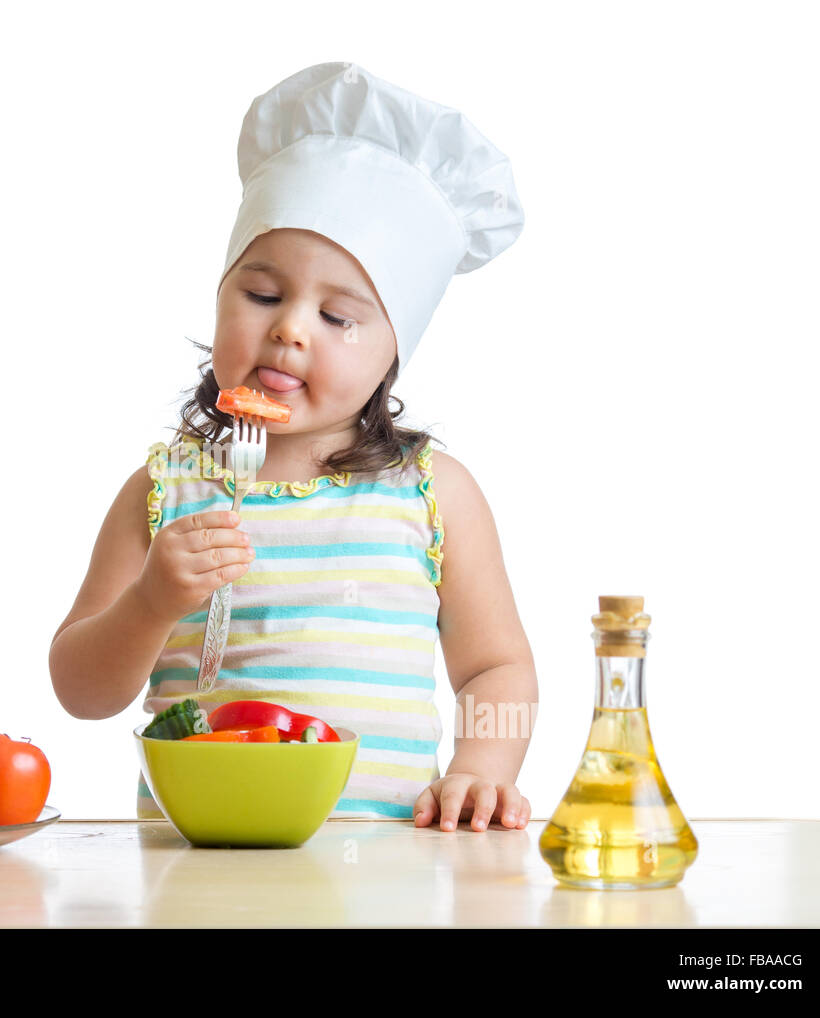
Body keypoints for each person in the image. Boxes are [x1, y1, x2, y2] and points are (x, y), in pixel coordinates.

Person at [50, 62, 537, 832]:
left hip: (387, 868)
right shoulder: (164, 488)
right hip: (192, 869)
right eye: (263, 295)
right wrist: (150, 604)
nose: (290, 328)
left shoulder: (433, 493)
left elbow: (497, 668)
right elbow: (80, 689)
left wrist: (480, 771)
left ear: (393, 352)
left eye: (339, 316)